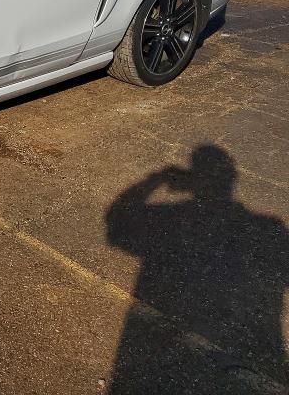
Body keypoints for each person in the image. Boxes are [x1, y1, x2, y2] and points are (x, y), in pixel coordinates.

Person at [106, 144, 288, 394]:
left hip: (167, 343)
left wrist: (156, 179)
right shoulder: (268, 226)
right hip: (260, 345)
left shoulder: (173, 215)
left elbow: (117, 224)